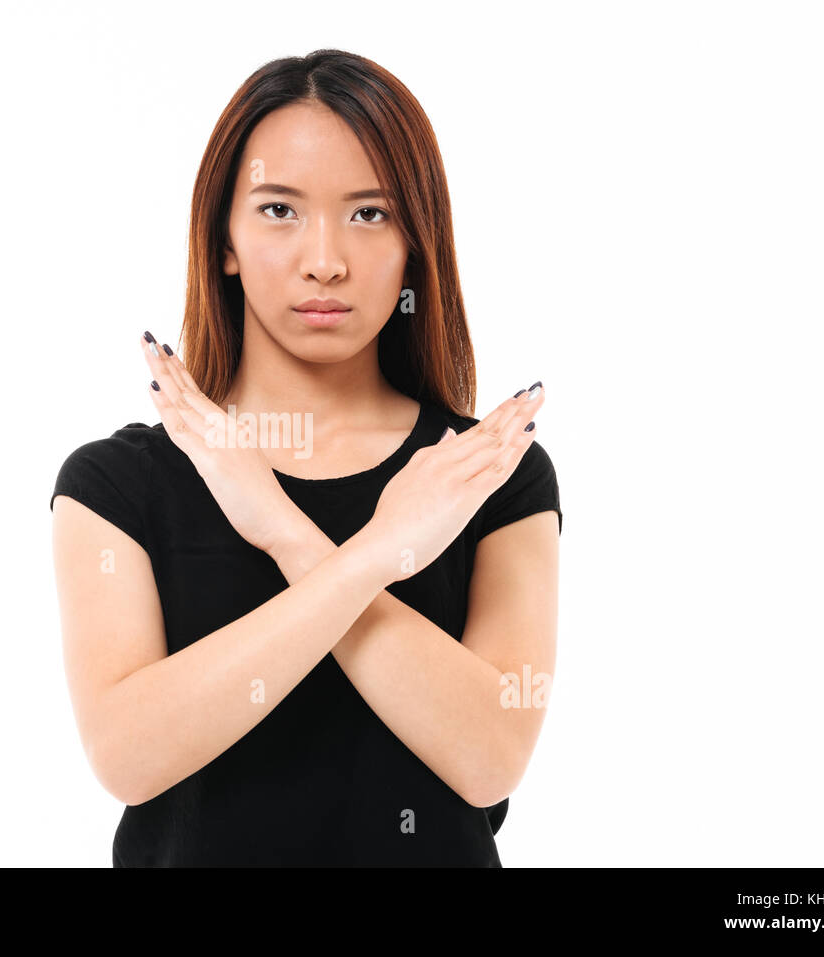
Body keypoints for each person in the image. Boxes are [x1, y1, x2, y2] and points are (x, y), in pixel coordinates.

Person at [51, 49, 562, 867]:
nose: (325, 258)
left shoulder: (485, 472)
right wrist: (376, 552)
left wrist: (285, 529)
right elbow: (129, 756)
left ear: (416, 245)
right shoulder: (116, 485)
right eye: (280, 209)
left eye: (369, 214)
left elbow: (491, 756)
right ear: (224, 238)